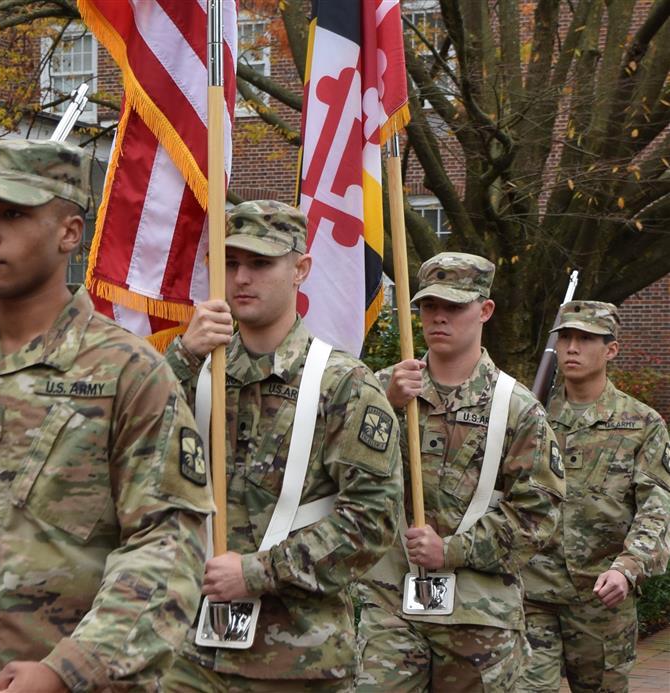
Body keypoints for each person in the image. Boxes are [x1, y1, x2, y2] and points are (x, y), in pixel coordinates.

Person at [0, 139, 213, 692]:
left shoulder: (127, 372)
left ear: (69, 233)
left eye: (12, 214)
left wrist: (69, 669)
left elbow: (167, 544)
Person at [160, 200, 403, 692]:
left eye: (260, 262)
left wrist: (259, 572)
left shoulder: (343, 384)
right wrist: (183, 359)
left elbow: (372, 522)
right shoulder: (195, 371)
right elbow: (125, 453)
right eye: (229, 263)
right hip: (187, 652)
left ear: (300, 269)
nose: (241, 278)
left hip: (296, 658)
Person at [355, 252, 565, 692]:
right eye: (430, 306)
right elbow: (340, 475)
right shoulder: (380, 390)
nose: (439, 318)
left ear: (484, 310)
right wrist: (385, 406)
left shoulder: (516, 407)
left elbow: (537, 517)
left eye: (454, 307)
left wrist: (451, 550)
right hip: (390, 604)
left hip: (478, 614)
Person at [516, 300, 670, 692]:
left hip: (602, 597)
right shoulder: (531, 416)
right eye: (565, 337)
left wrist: (630, 566)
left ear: (611, 349)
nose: (571, 348)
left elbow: (658, 506)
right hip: (533, 592)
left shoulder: (642, 424)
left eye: (585, 338)